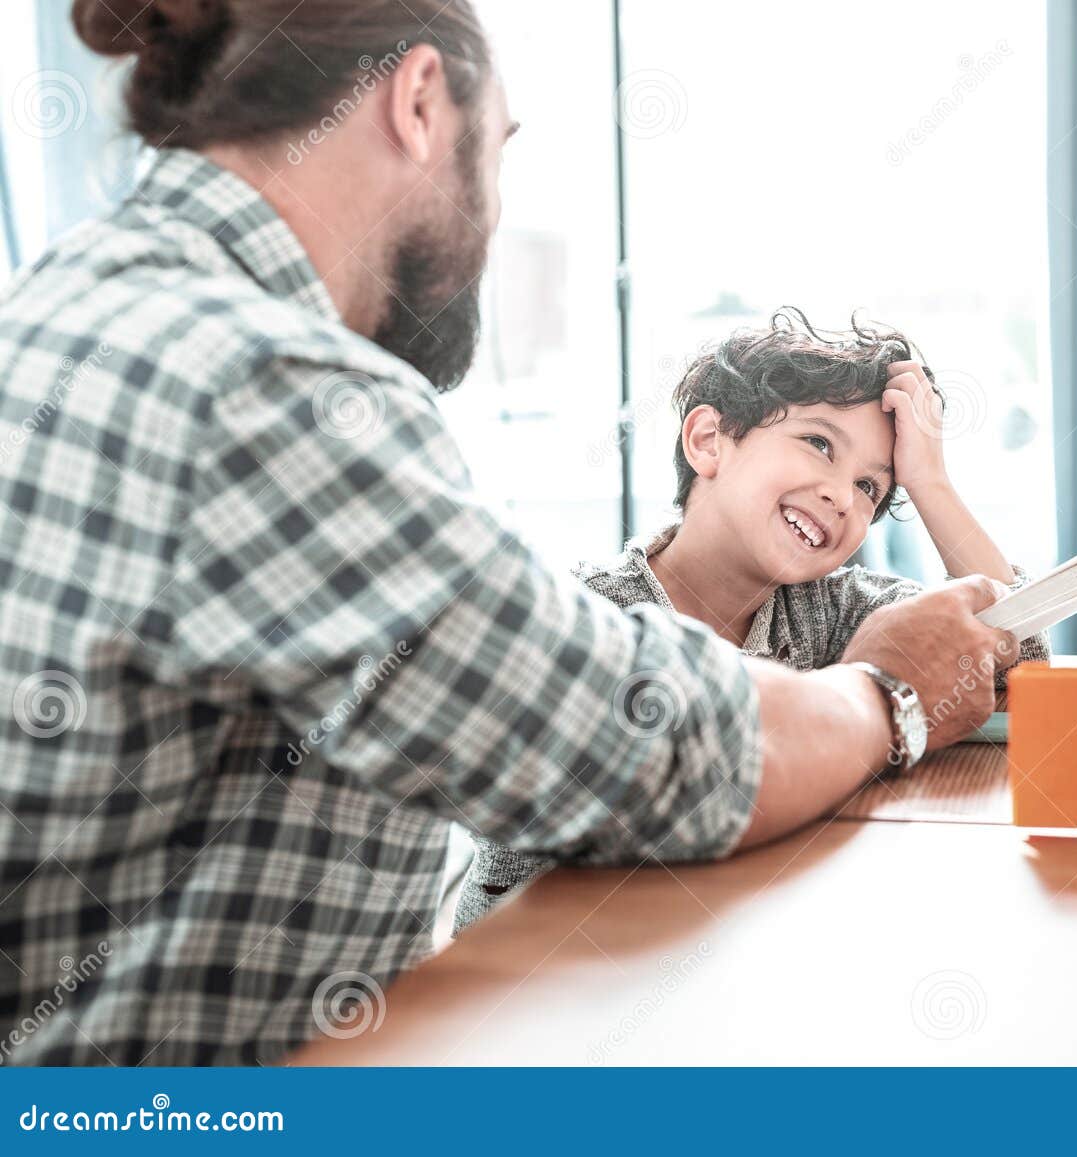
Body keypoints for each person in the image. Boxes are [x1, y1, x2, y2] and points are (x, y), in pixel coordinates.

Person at [0, 0, 1014, 1064]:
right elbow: (653, 743)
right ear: (421, 101)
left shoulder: (73, 310)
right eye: (500, 154)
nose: (493, 216)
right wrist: (886, 694)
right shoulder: (267, 382)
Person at [458, 310, 1048, 929]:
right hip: (544, 960)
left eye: (870, 488)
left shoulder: (830, 610)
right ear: (709, 441)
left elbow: (1020, 658)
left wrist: (931, 482)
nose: (842, 497)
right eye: (819, 444)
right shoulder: (587, 612)